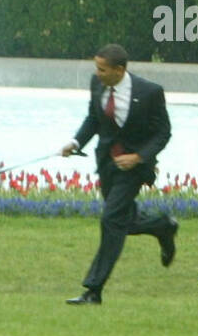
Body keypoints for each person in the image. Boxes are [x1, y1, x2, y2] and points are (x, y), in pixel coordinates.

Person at [61, 44, 178, 304]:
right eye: (96, 68)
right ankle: (163, 226)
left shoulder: (150, 92)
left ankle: (94, 290)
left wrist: (138, 157)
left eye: (102, 69)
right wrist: (76, 142)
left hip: (135, 168)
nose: (97, 73)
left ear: (119, 70)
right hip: (107, 164)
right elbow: (94, 118)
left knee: (111, 219)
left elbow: (163, 133)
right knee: (124, 219)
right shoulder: (97, 83)